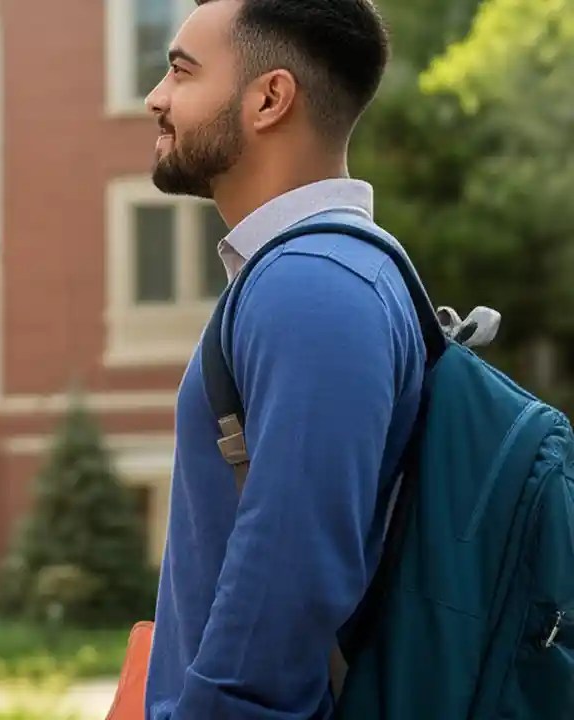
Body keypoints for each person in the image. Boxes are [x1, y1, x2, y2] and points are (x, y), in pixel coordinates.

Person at [141, 1, 425, 718]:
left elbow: (285, 594)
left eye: (181, 72)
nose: (156, 98)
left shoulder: (313, 285)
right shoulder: (315, 275)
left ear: (270, 98)